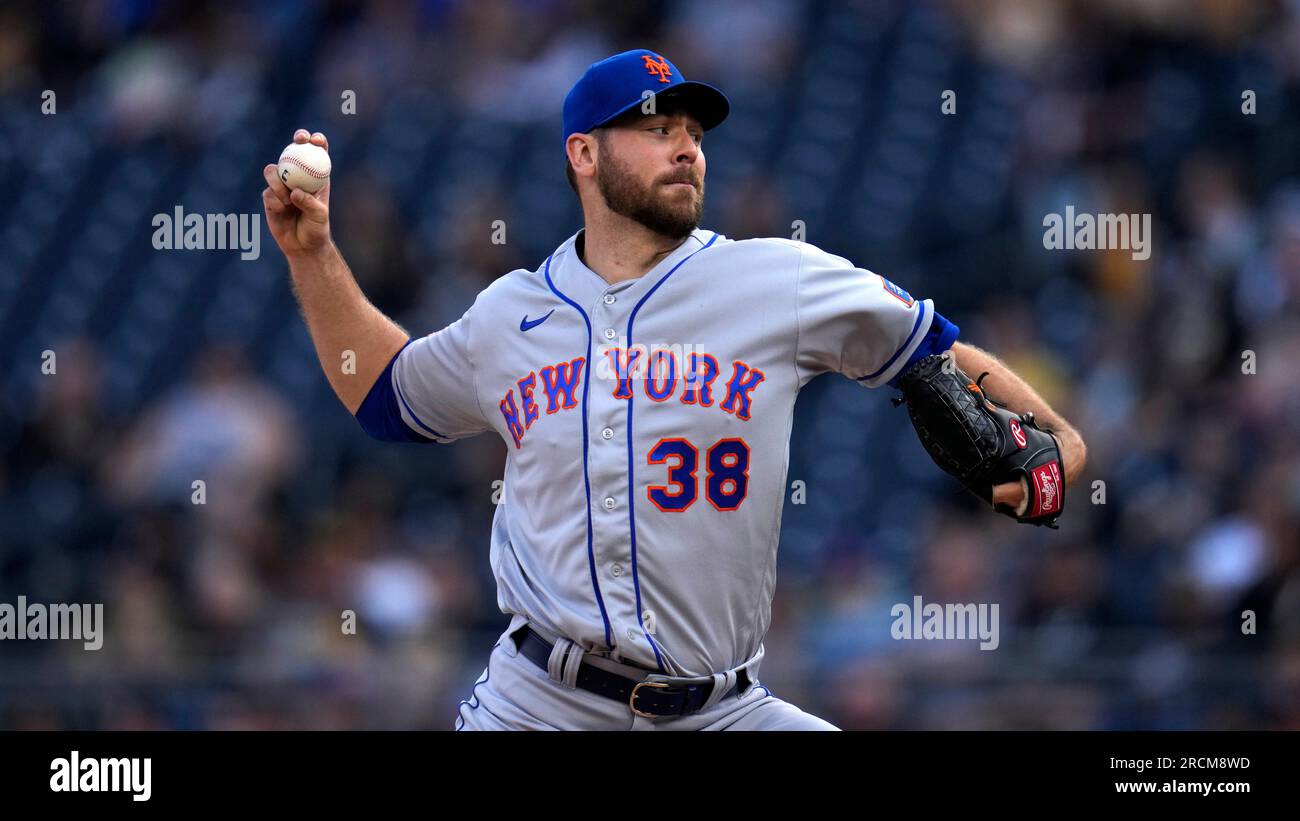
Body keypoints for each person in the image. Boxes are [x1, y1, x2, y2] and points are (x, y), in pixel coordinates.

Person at [261, 49, 1087, 730]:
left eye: (693, 132)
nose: (687, 147)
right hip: (542, 704)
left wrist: (1064, 437)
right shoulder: (509, 314)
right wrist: (312, 255)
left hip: (725, 711)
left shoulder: (776, 279)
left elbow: (931, 351)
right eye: (656, 129)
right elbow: (384, 394)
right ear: (583, 153)